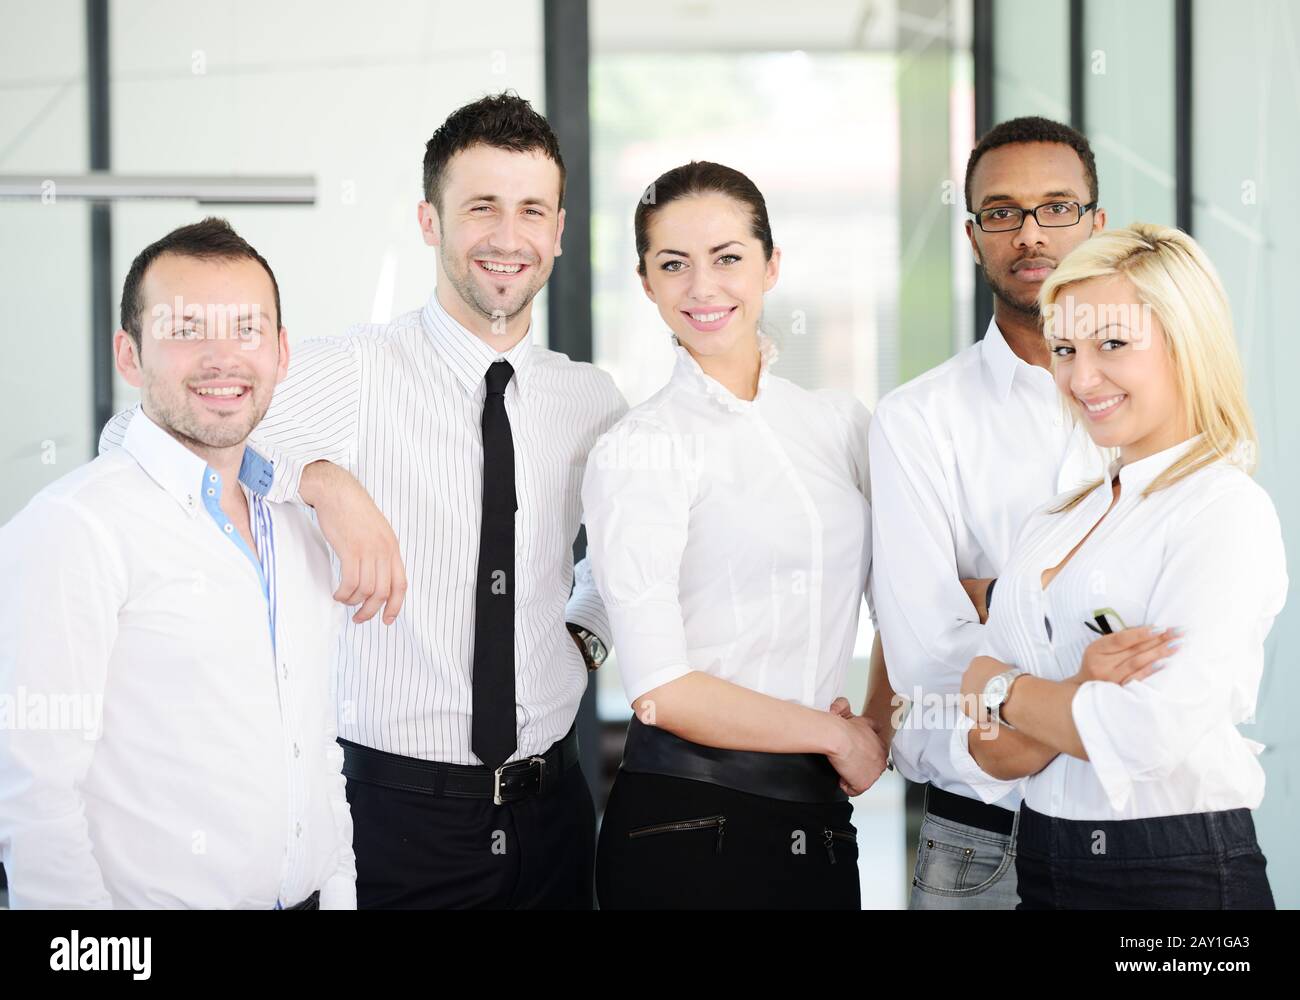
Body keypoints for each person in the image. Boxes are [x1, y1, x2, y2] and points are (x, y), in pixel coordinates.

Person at [100, 93, 627, 909]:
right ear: (430, 221)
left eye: (532, 210)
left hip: (554, 811)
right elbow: (134, 438)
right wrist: (317, 479)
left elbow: (632, 552)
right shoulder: (351, 373)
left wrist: (585, 635)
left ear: (559, 229)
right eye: (480, 206)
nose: (507, 236)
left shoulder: (591, 401)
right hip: (395, 818)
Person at [0, 218, 354, 908]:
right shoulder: (73, 528)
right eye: (186, 330)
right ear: (129, 356)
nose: (223, 358)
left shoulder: (300, 527)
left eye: (247, 329)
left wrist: (337, 891)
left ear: (281, 353)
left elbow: (315, 750)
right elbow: (32, 798)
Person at [583, 161, 888, 911]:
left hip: (820, 819)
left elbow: (906, 597)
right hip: (686, 825)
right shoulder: (640, 446)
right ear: (647, 282)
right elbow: (661, 690)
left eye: (727, 258)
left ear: (771, 265)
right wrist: (838, 735)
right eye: (673, 265)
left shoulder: (838, 424)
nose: (702, 287)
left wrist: (875, 725)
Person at [954, 223, 1286, 909]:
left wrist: (1002, 688)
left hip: (1176, 873)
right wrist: (1076, 688)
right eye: (1067, 348)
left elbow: (1143, 736)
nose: (1081, 377)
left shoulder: (1222, 510)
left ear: (1185, 343)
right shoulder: (1054, 521)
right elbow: (986, 752)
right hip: (1043, 858)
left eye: (1113, 344)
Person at [869, 116, 1108, 908]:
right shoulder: (916, 421)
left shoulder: (1162, 403)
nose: (1031, 233)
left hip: (1142, 819)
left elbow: (1184, 629)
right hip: (983, 832)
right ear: (974, 237)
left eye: (1057, 208)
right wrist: (1092, 670)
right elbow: (931, 660)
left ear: (1097, 226)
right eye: (1002, 212)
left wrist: (1002, 602)